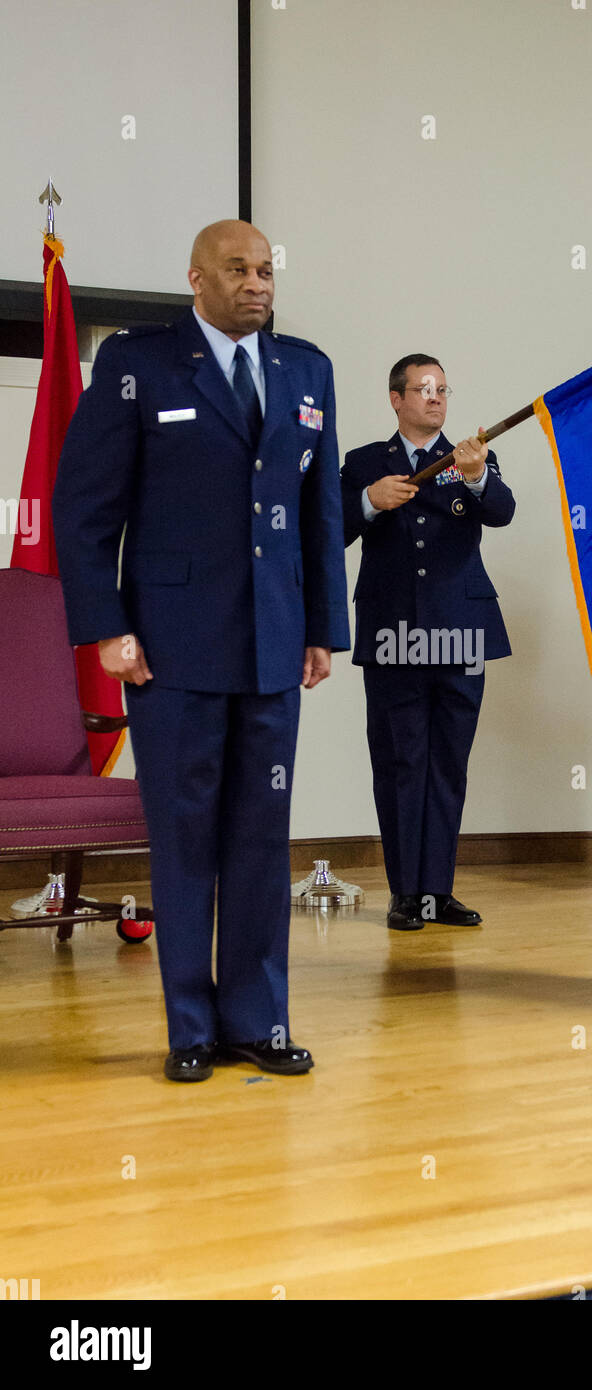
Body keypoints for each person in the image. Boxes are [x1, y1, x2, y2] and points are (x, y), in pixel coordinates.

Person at [52, 220, 349, 1081]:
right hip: (169, 649)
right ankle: (190, 1026)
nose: (257, 283)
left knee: (262, 836)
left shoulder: (307, 368)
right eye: (237, 269)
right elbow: (85, 509)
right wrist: (108, 627)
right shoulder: (138, 364)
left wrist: (322, 626)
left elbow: (321, 510)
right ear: (196, 278)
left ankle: (257, 1020)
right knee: (184, 839)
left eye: (265, 269)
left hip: (273, 644)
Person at [340, 355, 515, 931]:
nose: (436, 398)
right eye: (423, 389)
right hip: (395, 634)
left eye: (443, 389)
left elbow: (503, 511)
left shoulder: (470, 456)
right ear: (396, 398)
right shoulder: (366, 463)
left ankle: (438, 890)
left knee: (447, 763)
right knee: (399, 761)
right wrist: (370, 501)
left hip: (461, 631)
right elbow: (331, 530)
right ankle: (405, 892)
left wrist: (476, 475)